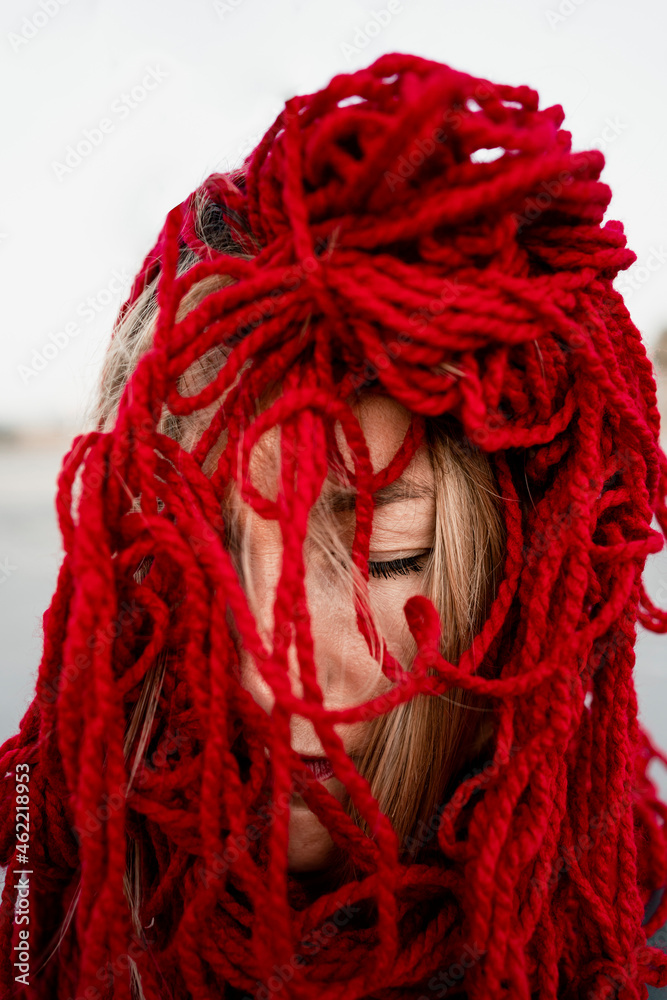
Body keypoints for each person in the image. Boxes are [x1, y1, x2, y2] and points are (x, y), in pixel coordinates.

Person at [1, 50, 667, 1000]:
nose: (272, 676)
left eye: (384, 553)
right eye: (201, 549)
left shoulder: (621, 949)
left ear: (524, 577)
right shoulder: (40, 913)